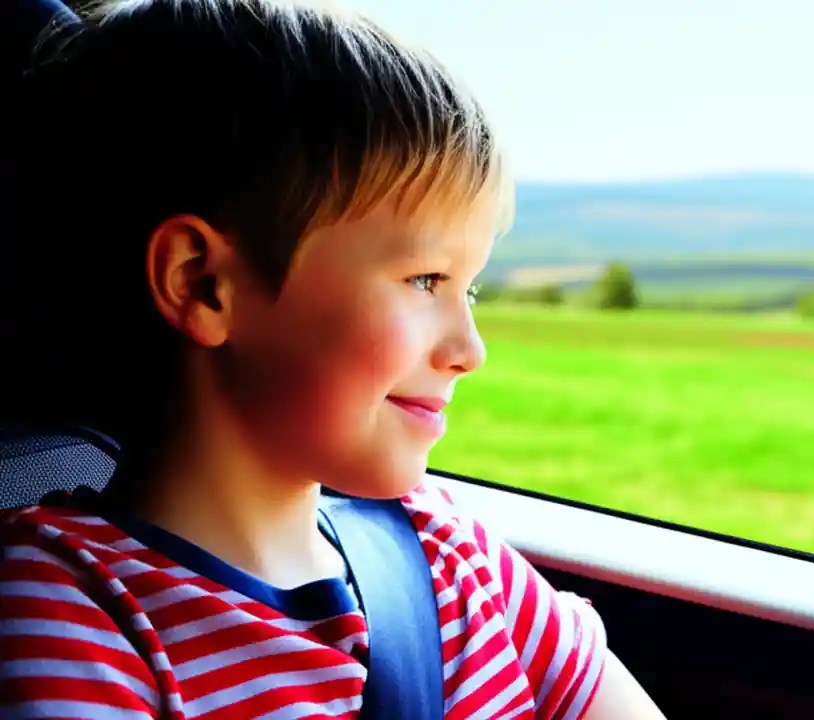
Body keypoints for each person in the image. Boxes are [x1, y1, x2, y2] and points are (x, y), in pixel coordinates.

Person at [0, 0, 665, 717]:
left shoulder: (457, 562)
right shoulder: (73, 618)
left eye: (468, 289)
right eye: (425, 280)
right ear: (203, 285)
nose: (469, 351)